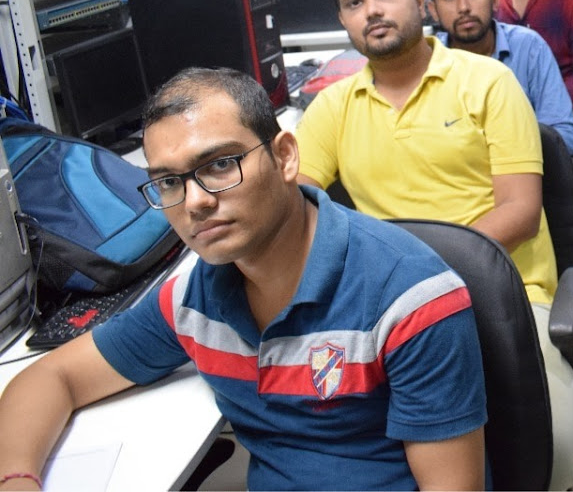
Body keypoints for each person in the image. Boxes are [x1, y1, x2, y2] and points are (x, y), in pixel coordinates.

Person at [0, 68, 487, 492]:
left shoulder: (410, 299)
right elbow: (52, 377)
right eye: (169, 182)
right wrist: (17, 479)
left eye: (219, 165)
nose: (195, 202)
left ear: (285, 157)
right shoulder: (196, 297)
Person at [295, 0, 573, 491]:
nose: (372, 10)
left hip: (506, 292)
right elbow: (296, 212)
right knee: (359, 451)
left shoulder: (488, 82)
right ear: (343, 20)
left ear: (420, 1)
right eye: (355, 2)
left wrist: (422, 278)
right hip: (390, 309)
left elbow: (520, 212)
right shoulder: (333, 106)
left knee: (553, 456)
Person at [425, 0, 573, 207]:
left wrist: (495, 158)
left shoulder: (529, 47)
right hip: (454, 196)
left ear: (495, 0)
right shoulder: (426, 64)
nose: (463, 7)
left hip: (528, 185)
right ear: (433, 10)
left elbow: (566, 137)